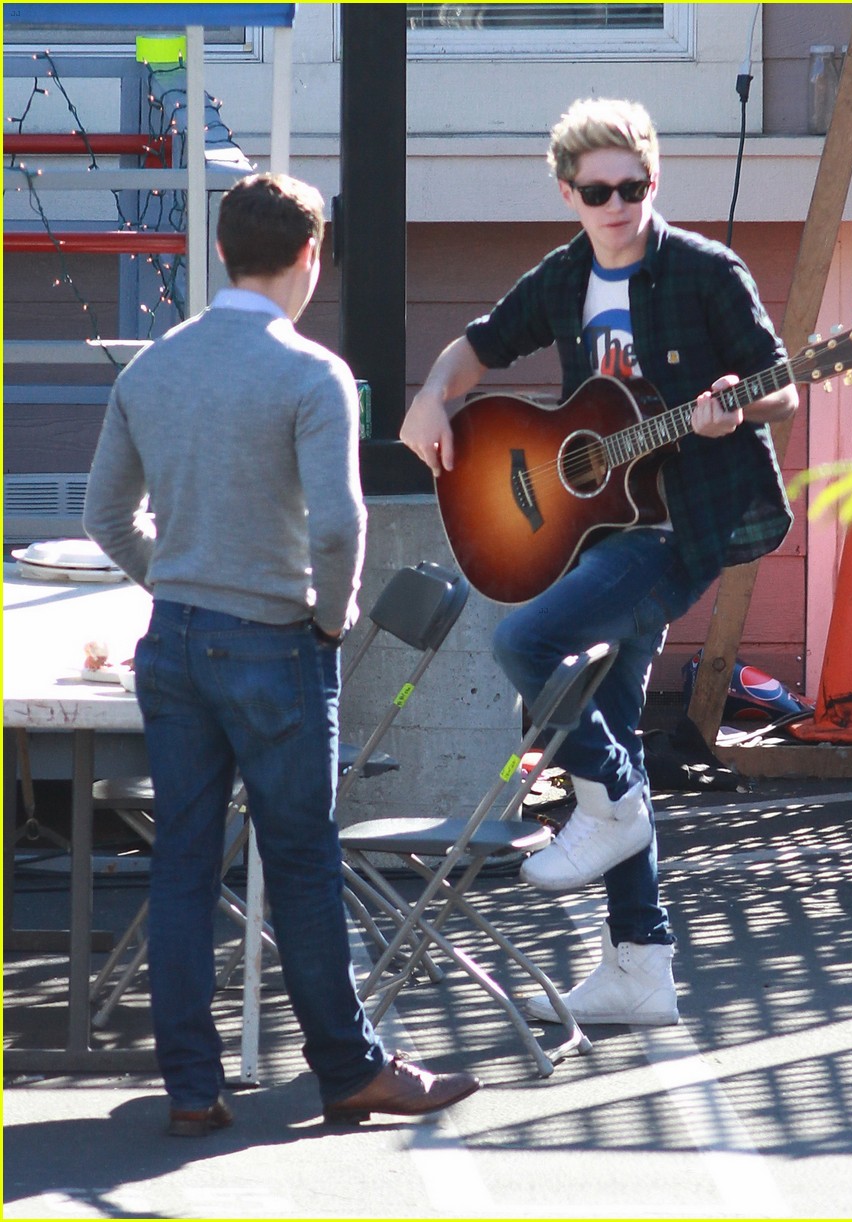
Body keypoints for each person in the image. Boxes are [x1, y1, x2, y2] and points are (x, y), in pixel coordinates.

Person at [84, 173, 479, 1135]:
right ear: (311, 256)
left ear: (220, 251)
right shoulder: (312, 374)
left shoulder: (149, 370)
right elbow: (339, 524)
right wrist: (333, 617)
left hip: (173, 637)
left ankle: (191, 1087)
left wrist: (170, 577)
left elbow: (104, 515)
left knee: (181, 862)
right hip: (275, 640)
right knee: (298, 861)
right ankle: (347, 1069)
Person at [400, 99, 798, 1026]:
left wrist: (735, 409)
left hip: (677, 528)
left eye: (633, 187)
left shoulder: (704, 272)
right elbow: (479, 346)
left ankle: (611, 800)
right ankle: (640, 967)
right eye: (597, 191)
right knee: (605, 727)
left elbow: (777, 379)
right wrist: (428, 398)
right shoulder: (567, 274)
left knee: (526, 643)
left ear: (653, 182)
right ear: (569, 193)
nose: (617, 204)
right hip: (597, 529)